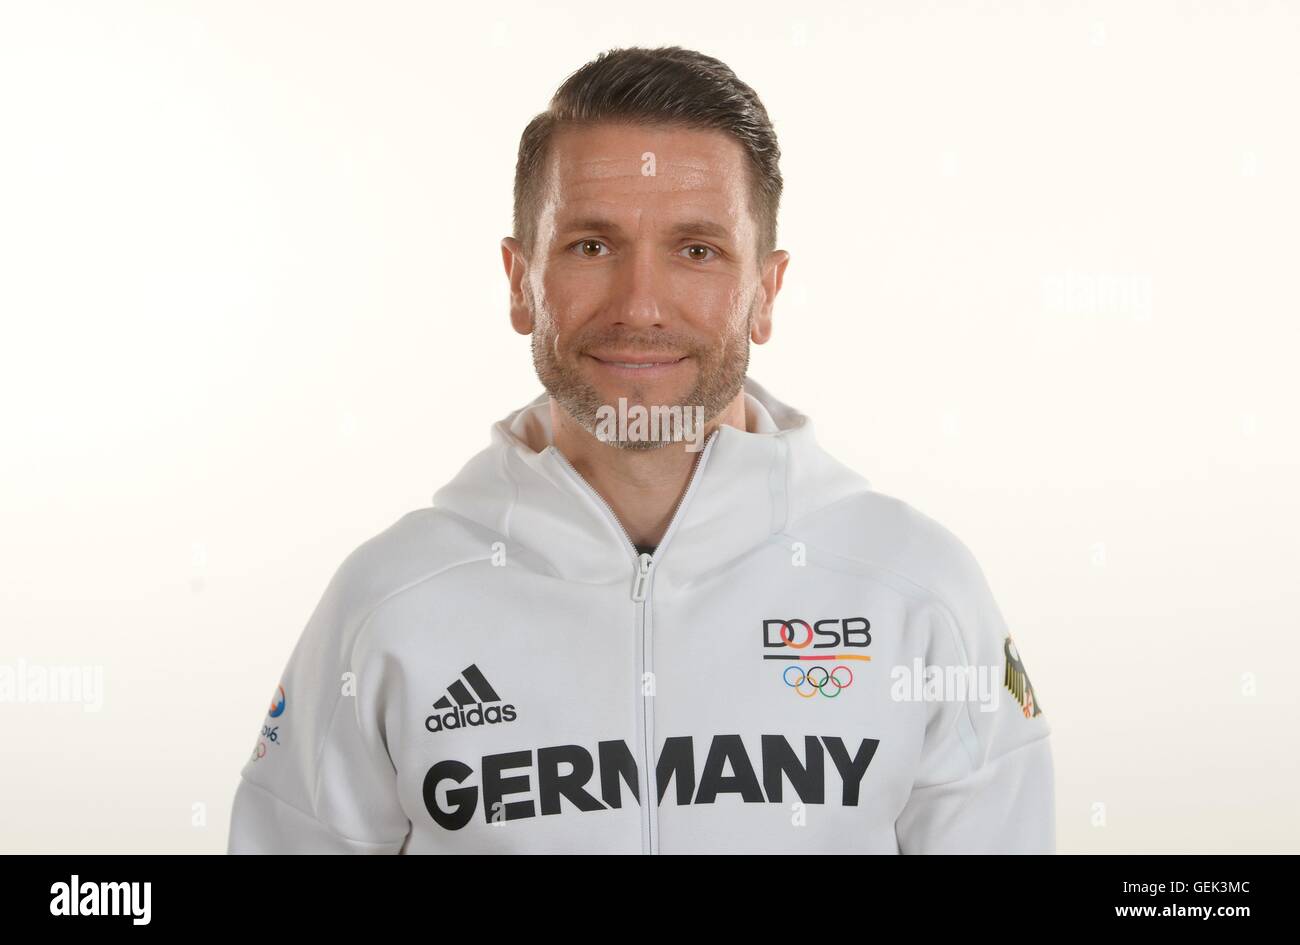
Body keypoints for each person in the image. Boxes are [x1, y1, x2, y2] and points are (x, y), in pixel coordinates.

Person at [228, 45, 1054, 854]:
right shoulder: (391, 604)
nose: (642, 304)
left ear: (765, 292)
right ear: (520, 281)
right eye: (592, 245)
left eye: (697, 250)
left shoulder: (919, 597)